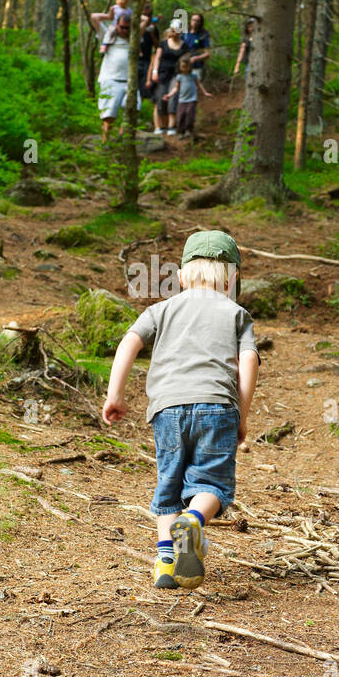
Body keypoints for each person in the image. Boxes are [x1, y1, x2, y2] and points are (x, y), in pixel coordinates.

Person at [101, 231, 261, 590]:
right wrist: (242, 413)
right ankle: (192, 520)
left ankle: (166, 564)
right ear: (232, 278)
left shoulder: (160, 309)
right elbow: (248, 360)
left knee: (169, 481)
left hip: (168, 409)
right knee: (212, 481)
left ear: (183, 276)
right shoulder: (237, 313)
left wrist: (115, 394)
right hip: (218, 407)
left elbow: (130, 342)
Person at [91, 12, 134, 142]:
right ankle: (105, 141)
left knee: (133, 109)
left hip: (129, 81)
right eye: (122, 27)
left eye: (128, 28)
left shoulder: (134, 37)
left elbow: (145, 19)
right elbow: (94, 17)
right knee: (109, 114)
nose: (125, 30)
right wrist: (110, 16)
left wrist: (131, 13)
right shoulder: (107, 34)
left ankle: (121, 139)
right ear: (117, 25)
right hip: (110, 79)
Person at [149, 27, 186, 135]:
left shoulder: (184, 45)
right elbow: (155, 60)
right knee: (159, 100)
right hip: (162, 75)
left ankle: (170, 126)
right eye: (172, 31)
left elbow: (185, 60)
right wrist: (153, 73)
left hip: (175, 75)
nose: (173, 34)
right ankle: (159, 126)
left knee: (173, 99)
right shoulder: (162, 44)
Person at [163, 55, 211, 138]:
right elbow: (176, 88)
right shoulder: (179, 77)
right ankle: (180, 132)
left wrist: (205, 92)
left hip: (192, 99)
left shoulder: (193, 76)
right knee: (180, 115)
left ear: (190, 66)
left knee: (189, 114)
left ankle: (188, 130)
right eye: (183, 67)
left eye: (187, 66)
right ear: (180, 67)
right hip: (182, 100)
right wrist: (169, 95)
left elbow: (199, 84)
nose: (185, 68)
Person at [181, 12, 212, 84]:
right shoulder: (185, 33)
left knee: (194, 88)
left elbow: (207, 54)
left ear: (200, 22)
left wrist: (195, 58)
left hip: (196, 66)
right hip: (183, 66)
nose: (194, 22)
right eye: (193, 20)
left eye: (197, 21)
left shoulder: (203, 35)